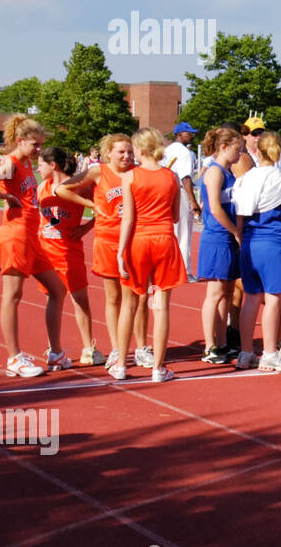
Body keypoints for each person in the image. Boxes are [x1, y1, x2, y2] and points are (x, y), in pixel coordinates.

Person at [0, 115, 68, 377]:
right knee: (12, 296)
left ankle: (55, 352)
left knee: (58, 289)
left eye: (41, 144)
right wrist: (6, 196)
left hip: (30, 236)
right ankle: (14, 358)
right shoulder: (11, 162)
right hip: (15, 234)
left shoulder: (26, 163)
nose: (39, 149)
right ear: (20, 141)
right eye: (35, 144)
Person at [55, 132, 149, 369]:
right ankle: (117, 349)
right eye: (121, 152)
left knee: (139, 296)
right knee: (114, 297)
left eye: (130, 151)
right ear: (108, 153)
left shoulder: (138, 171)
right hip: (108, 240)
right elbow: (62, 189)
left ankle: (141, 348)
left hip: (135, 239)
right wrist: (92, 206)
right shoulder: (99, 172)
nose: (127, 156)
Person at [114, 127, 186, 383]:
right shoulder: (171, 176)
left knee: (129, 304)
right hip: (164, 239)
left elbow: (128, 218)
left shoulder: (130, 176)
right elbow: (176, 216)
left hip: (139, 240)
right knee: (162, 306)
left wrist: (120, 251)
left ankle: (121, 365)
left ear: (139, 149)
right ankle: (158, 368)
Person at [234, 130, 281, 372]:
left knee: (250, 298)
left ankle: (246, 352)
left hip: (250, 240)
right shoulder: (280, 179)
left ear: (257, 151)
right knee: (274, 298)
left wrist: (241, 237)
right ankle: (270, 352)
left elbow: (240, 214)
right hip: (273, 241)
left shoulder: (246, 178)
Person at [37, 147, 100, 364]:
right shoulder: (41, 187)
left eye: (40, 165)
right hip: (47, 252)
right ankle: (54, 348)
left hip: (69, 251)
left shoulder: (78, 187)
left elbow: (102, 207)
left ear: (52, 165)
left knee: (80, 299)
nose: (38, 169)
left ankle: (88, 348)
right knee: (52, 299)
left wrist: (85, 228)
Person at [197, 127, 243, 364]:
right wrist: (235, 231)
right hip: (218, 237)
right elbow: (214, 208)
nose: (240, 153)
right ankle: (209, 346)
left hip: (228, 237)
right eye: (237, 149)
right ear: (224, 147)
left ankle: (222, 341)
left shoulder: (228, 172)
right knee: (214, 294)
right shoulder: (215, 172)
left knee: (227, 293)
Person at [162, 121, 201, 280]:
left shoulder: (168, 149)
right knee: (184, 232)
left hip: (167, 191)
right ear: (179, 134)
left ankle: (168, 268)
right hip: (180, 191)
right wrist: (193, 201)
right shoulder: (185, 152)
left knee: (171, 231)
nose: (192, 136)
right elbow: (186, 178)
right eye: (188, 133)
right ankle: (184, 270)